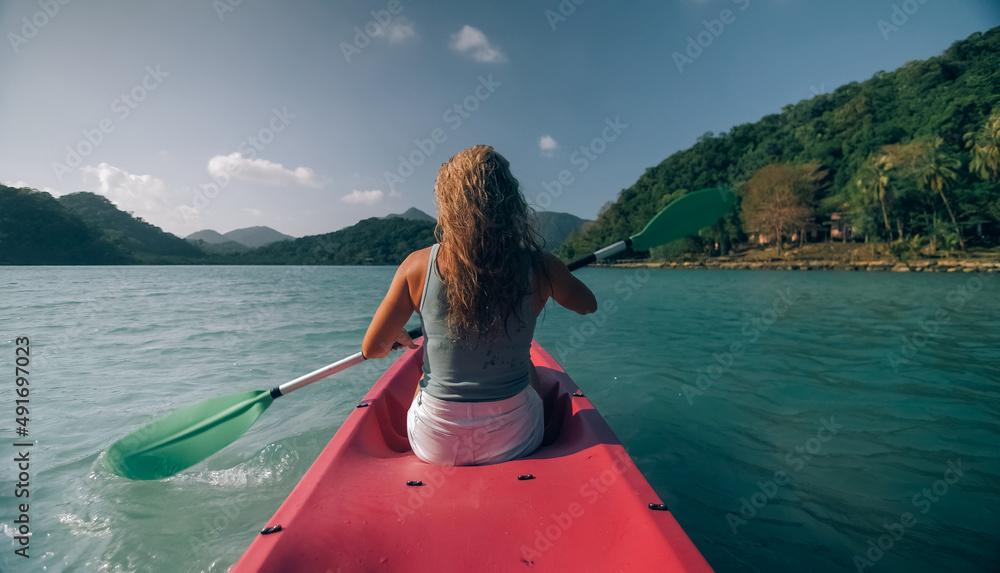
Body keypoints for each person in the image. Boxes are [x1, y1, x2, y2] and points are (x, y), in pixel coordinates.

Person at [362, 145, 597, 466]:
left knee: (423, 372)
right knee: (526, 361)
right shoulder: (541, 265)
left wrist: (395, 334)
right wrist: (552, 278)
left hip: (434, 445)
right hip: (516, 439)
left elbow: (373, 348)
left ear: (447, 203)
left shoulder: (416, 265)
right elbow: (588, 306)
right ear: (511, 200)